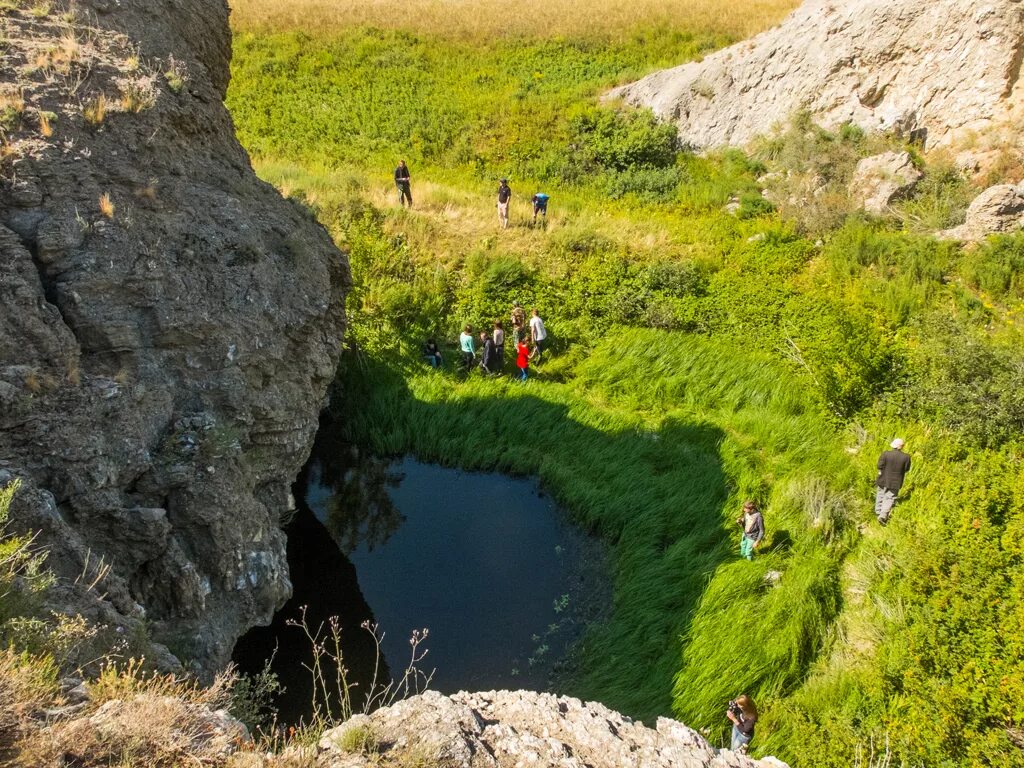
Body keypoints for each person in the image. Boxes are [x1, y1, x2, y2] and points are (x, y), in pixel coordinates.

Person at [875, 438, 911, 526]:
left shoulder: (886, 454)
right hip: (896, 481)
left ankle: (878, 511)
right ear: (902, 447)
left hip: (883, 478)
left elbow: (879, 465)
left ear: (893, 445)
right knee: (890, 497)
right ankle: (882, 516)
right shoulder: (906, 457)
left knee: (880, 494)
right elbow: (906, 469)